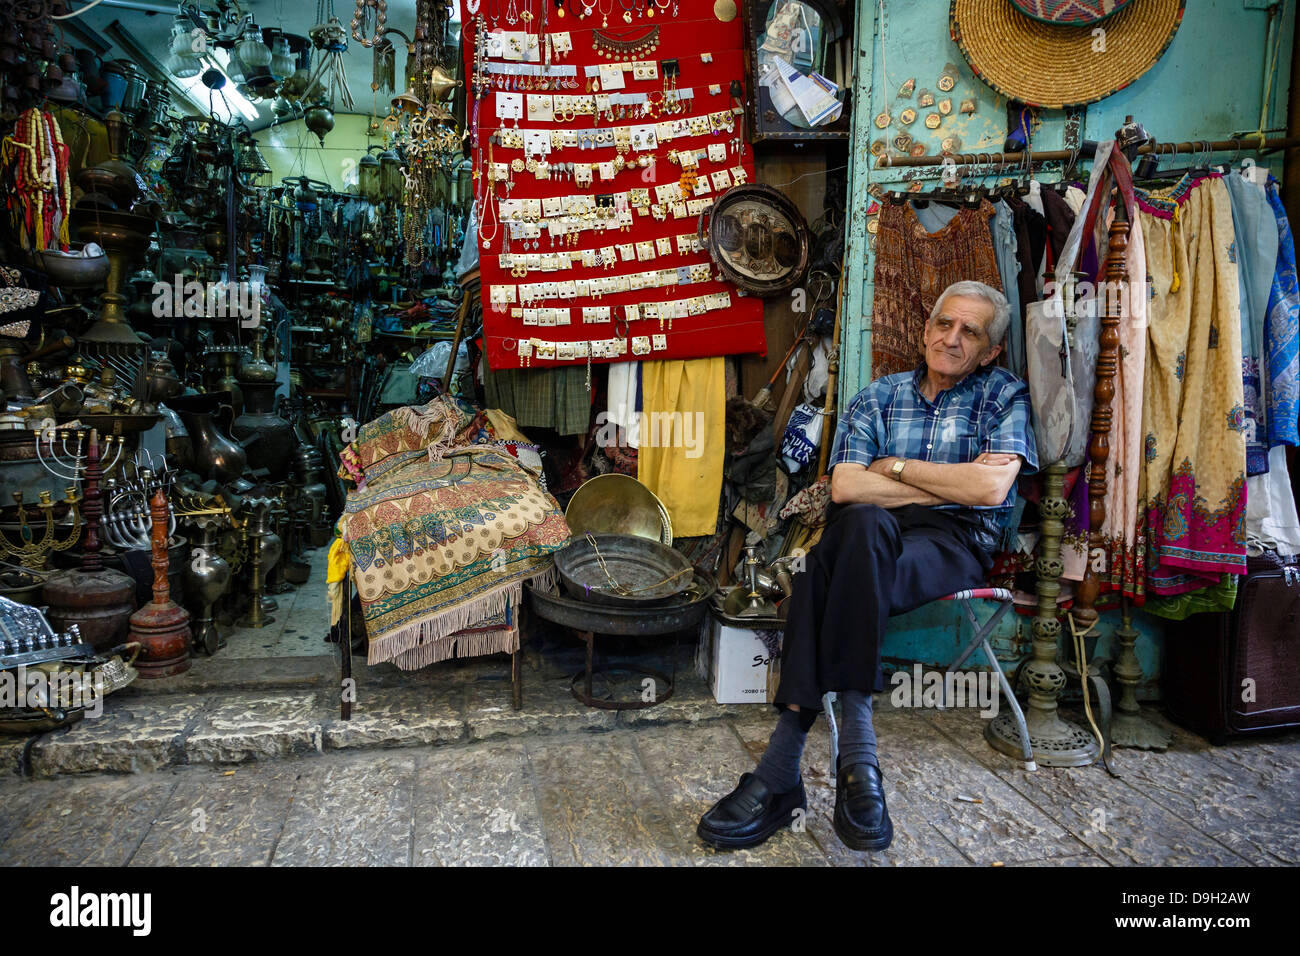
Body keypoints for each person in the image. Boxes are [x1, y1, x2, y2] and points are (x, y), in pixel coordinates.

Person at [697, 280, 1038, 852]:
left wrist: (898, 468)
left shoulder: (1003, 396)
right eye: (943, 324)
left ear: (991, 350)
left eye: (969, 332)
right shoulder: (879, 395)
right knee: (858, 527)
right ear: (926, 328)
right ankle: (858, 761)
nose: (951, 339)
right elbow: (850, 486)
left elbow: (991, 486)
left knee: (815, 573)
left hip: (951, 545)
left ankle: (780, 775)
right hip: (868, 534)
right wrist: (952, 485)